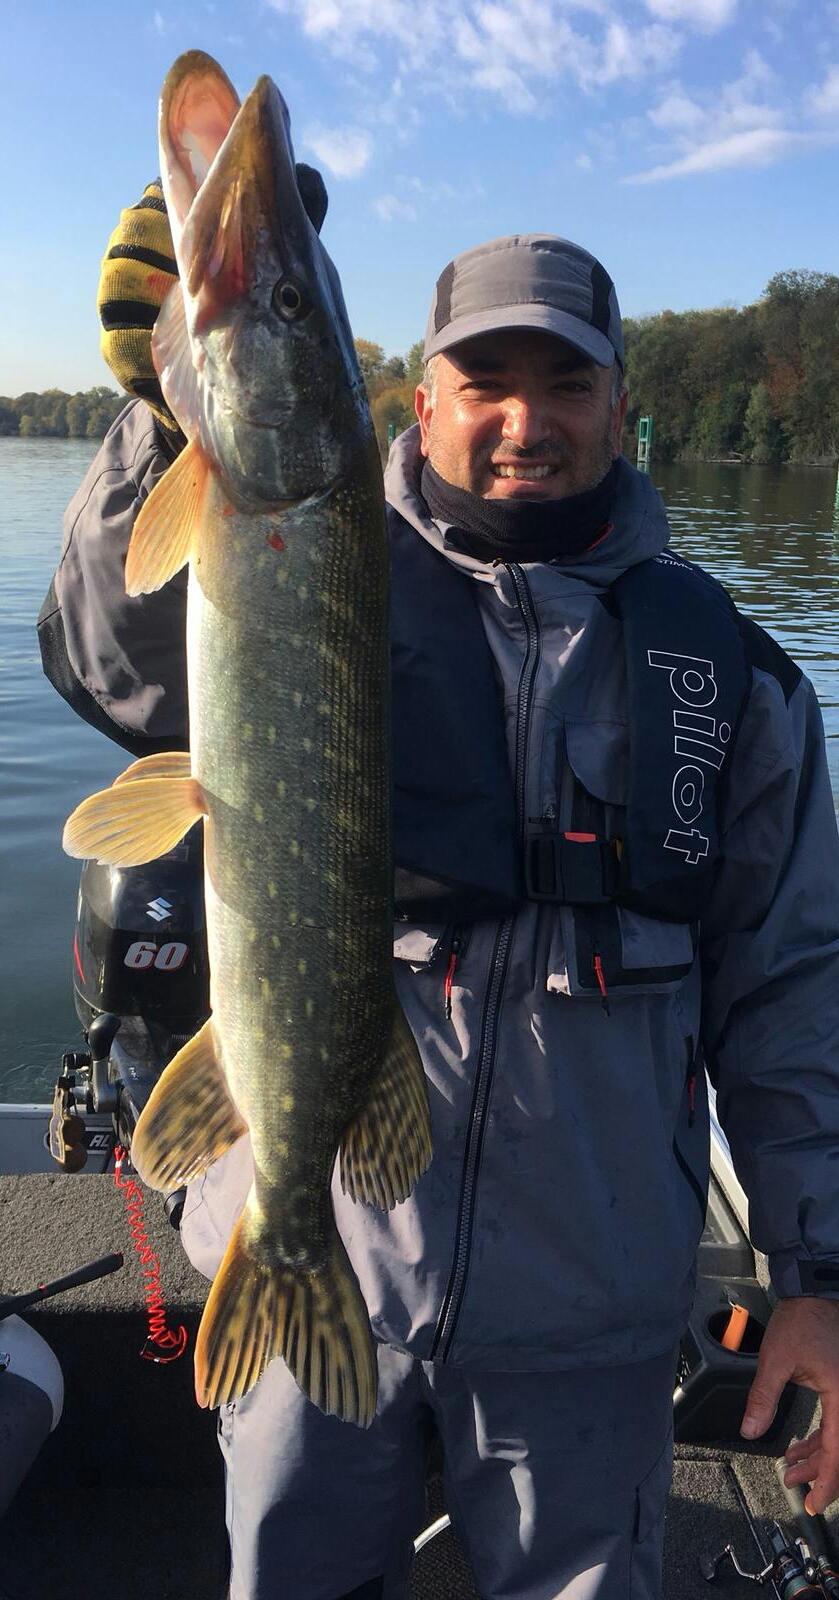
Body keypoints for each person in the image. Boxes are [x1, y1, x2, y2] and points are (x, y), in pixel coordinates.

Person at [39, 194, 839, 1600]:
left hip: (588, 1315)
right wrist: (161, 426)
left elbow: (791, 990)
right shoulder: (297, 553)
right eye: (486, 382)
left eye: (567, 383)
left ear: (619, 403)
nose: (526, 421)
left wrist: (817, 1273)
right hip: (315, 1256)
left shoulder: (737, 681)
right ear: (419, 395)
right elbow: (113, 667)